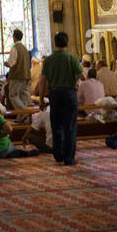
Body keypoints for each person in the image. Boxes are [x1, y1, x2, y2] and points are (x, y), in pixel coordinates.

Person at [38, 31, 82, 165]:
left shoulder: (49, 60)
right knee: (70, 126)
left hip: (55, 95)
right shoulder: (72, 58)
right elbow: (80, 76)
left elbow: (42, 80)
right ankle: (69, 158)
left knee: (56, 125)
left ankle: (58, 155)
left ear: (55, 43)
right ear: (67, 42)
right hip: (69, 94)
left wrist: (41, 99)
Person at [4, 29, 32, 109]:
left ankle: (24, 113)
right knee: (23, 96)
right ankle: (21, 118)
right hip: (26, 76)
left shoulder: (15, 48)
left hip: (17, 76)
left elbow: (11, 63)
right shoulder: (25, 49)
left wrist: (6, 63)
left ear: (14, 37)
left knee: (13, 95)